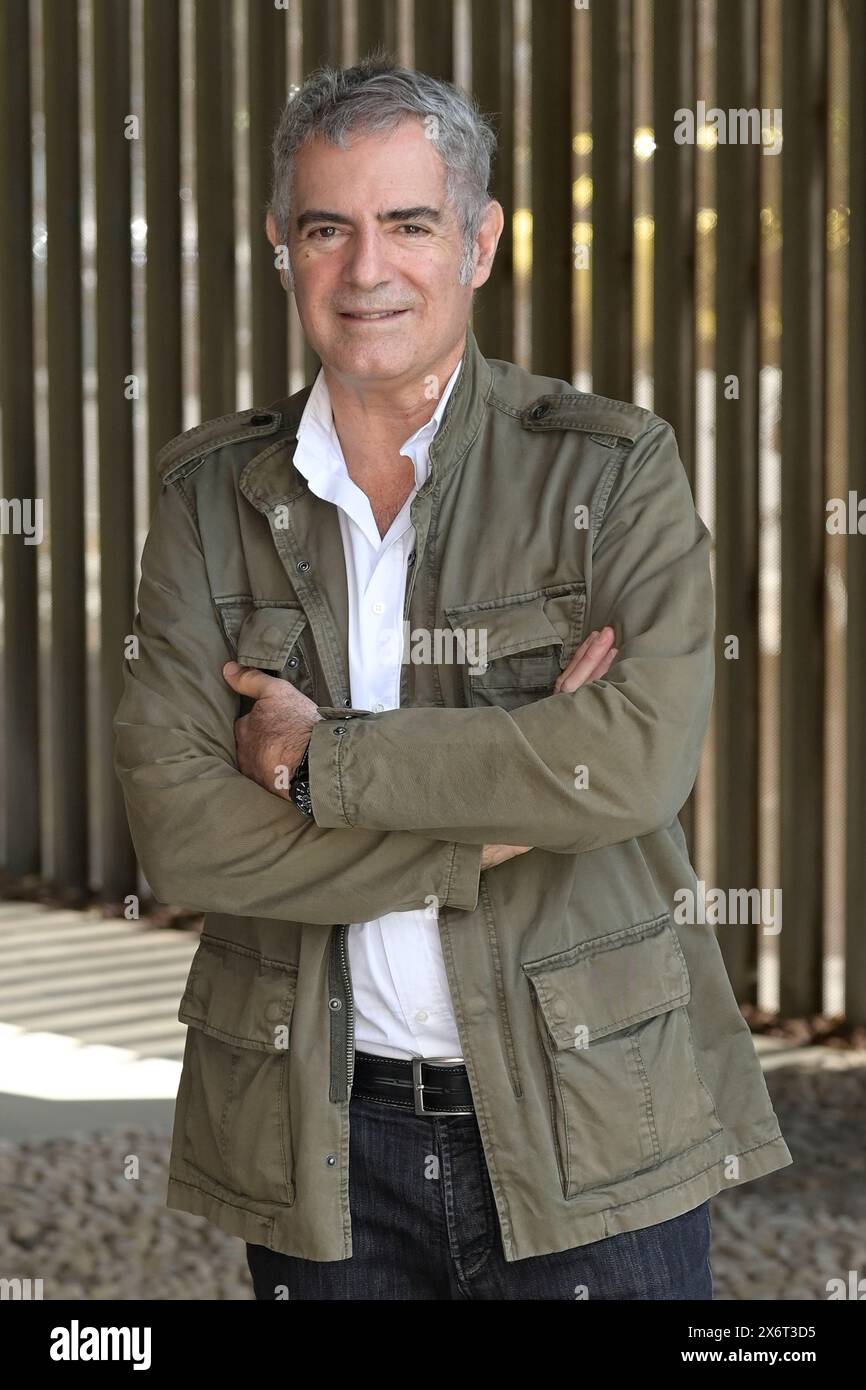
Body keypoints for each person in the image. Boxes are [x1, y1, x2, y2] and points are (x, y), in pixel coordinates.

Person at [113, 54, 792, 1301]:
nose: (367, 270)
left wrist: (321, 761)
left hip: (591, 1118)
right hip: (321, 1133)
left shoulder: (607, 474)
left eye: (408, 224)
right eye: (329, 228)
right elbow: (183, 836)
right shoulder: (207, 498)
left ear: (477, 242)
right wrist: (487, 825)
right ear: (282, 245)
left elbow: (631, 765)